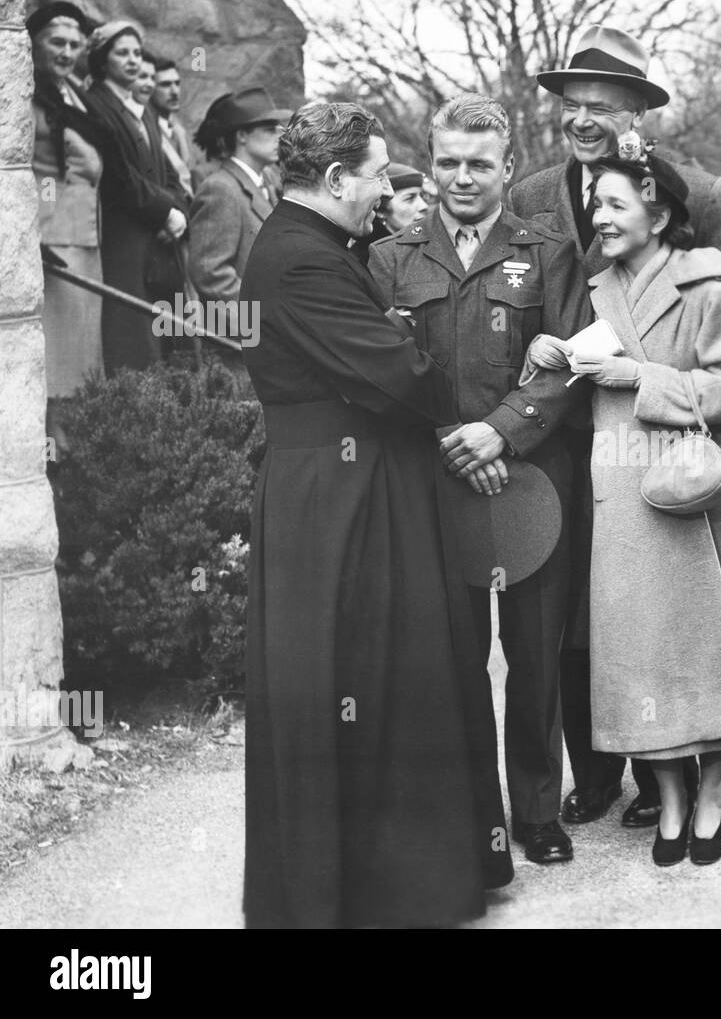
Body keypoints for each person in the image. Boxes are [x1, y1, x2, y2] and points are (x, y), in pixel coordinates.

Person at [241, 102, 511, 927]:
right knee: (362, 672)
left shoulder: (311, 246)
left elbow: (384, 360)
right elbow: (405, 376)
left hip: (345, 482)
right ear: (332, 180)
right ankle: (378, 891)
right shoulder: (302, 260)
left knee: (379, 672)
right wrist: (412, 356)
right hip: (338, 494)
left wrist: (397, 346)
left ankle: (391, 878)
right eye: (374, 177)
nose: (387, 191)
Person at [525, 137, 721, 866]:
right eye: (593, 204)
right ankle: (669, 797)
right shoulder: (593, 283)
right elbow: (587, 385)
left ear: (661, 212)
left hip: (698, 489)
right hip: (624, 496)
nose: (598, 217)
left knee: (708, 650)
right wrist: (553, 353)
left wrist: (638, 377)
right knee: (643, 657)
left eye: (614, 203)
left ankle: (710, 797)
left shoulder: (709, 280)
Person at [507, 26, 721, 831]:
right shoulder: (534, 196)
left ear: (639, 112)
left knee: (654, 594)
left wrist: (694, 424)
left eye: (600, 106)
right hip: (561, 435)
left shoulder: (698, 197)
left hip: (651, 431)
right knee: (571, 602)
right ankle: (597, 769)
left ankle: (663, 769)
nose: (581, 118)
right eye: (571, 104)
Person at [369, 93, 592, 866]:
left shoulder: (552, 254)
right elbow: (385, 374)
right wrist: (451, 441)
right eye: (448, 162)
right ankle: (477, 821)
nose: (463, 178)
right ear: (430, 165)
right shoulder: (392, 258)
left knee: (535, 658)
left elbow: (572, 365)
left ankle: (537, 814)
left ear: (507, 168)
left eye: (479, 164)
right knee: (455, 660)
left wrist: (500, 430)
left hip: (535, 482)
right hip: (438, 483)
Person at [82, 20, 188, 375]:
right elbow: (120, 177)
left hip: (156, 241)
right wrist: (165, 212)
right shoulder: (96, 103)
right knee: (132, 335)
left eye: (137, 53)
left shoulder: (141, 110)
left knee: (165, 338)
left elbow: (170, 176)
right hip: (123, 238)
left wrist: (176, 211)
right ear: (101, 59)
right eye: (121, 53)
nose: (132, 60)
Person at [28, 1, 105, 440]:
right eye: (57, 41)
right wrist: (32, 237)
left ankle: (75, 460)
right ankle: (56, 454)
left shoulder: (72, 92)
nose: (67, 51)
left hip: (86, 237)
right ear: (33, 42)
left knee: (83, 358)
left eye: (75, 43)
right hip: (54, 239)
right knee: (59, 362)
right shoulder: (28, 93)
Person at [188, 87, 289, 336]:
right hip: (242, 344)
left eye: (279, 127)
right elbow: (211, 274)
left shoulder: (266, 182)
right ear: (242, 135)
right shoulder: (220, 189)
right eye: (268, 129)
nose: (280, 135)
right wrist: (259, 324)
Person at [350, 162, 426, 264]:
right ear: (380, 209)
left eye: (422, 195)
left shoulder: (423, 246)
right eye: (410, 198)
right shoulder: (368, 258)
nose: (424, 206)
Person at [149, 55, 194, 197]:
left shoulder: (179, 131)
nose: (175, 92)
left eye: (177, 83)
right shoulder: (146, 133)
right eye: (165, 85)